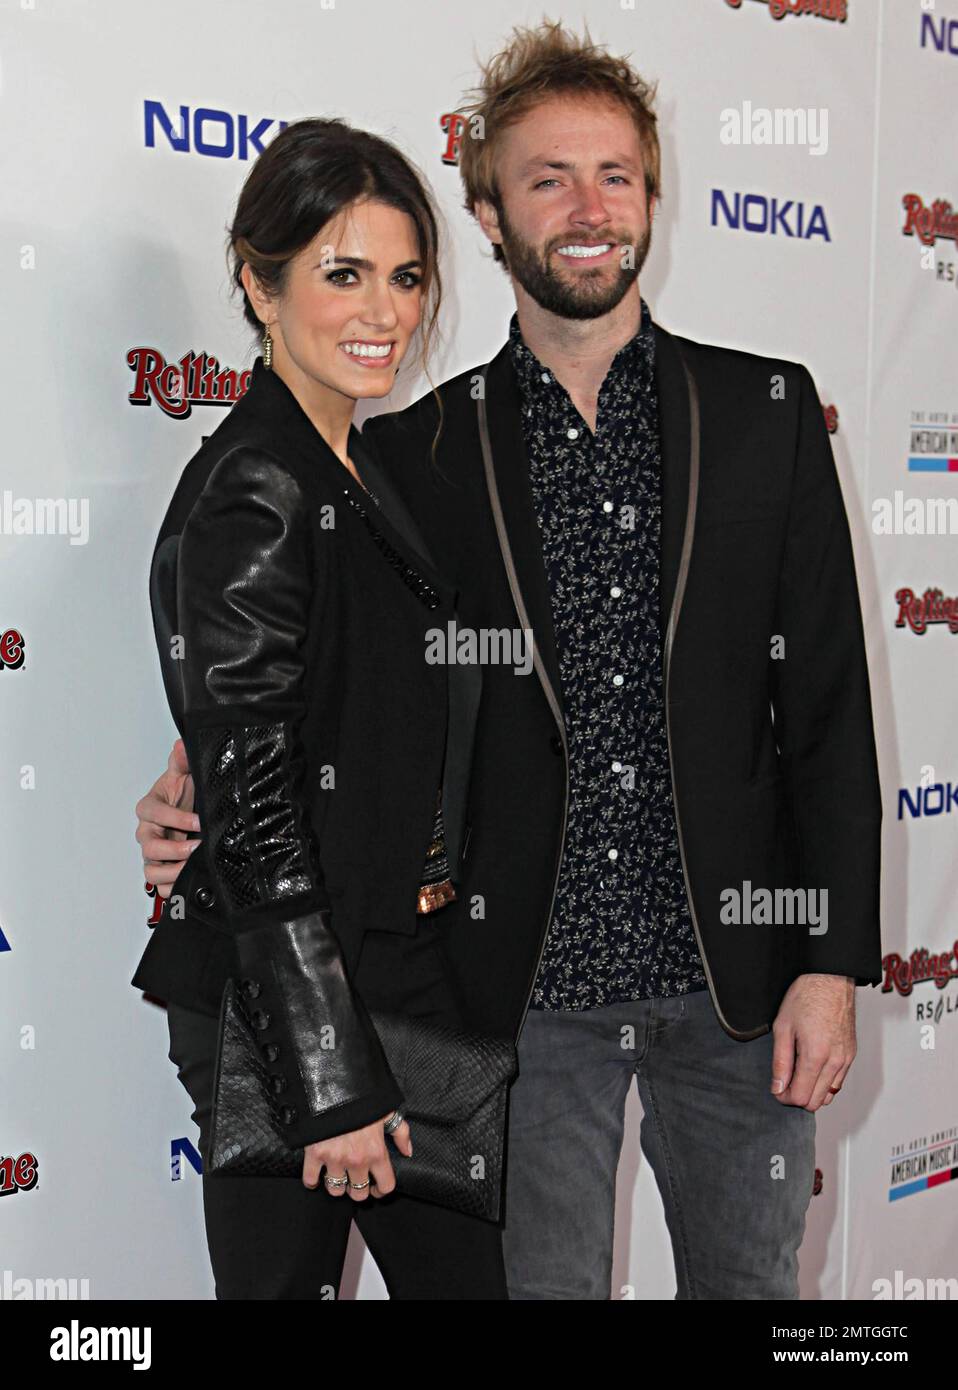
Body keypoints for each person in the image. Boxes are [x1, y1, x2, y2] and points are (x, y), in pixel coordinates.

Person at [137, 21, 883, 1300]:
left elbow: (822, 706)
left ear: (651, 197)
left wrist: (830, 956)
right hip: (515, 1002)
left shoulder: (767, 414)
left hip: (735, 993)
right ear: (487, 211)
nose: (587, 210)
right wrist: (190, 775)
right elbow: (318, 671)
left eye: (615, 178)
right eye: (547, 179)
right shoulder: (413, 453)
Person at [130, 116, 507, 1300]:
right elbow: (249, 801)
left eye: (403, 276)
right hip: (288, 997)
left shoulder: (367, 465)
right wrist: (331, 1079)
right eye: (341, 274)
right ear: (259, 280)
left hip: (391, 962)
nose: (384, 311)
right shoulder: (258, 481)